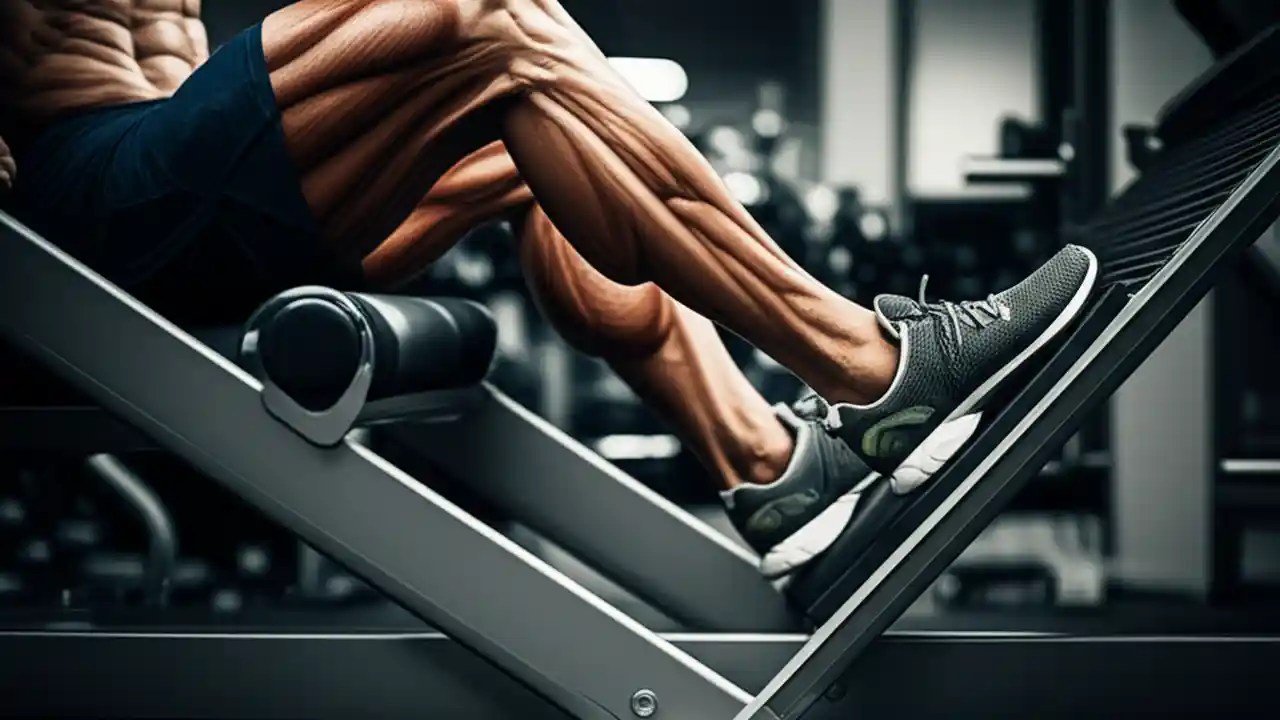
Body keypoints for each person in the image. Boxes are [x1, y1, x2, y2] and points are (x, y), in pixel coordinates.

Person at [0, 0, 1097, 578]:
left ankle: (768, 469)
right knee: (490, 16)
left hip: (191, 198)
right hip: (92, 208)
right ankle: (870, 366)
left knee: (539, 126)